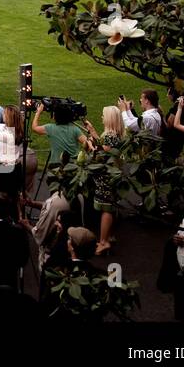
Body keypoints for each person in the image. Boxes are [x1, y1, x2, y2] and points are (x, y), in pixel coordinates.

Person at [82, 105, 127, 255]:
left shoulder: (110, 136)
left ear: (109, 118)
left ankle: (103, 242)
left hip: (106, 177)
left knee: (106, 208)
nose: (101, 117)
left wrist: (89, 143)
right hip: (113, 174)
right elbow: (104, 146)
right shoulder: (115, 135)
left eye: (103, 115)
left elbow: (100, 152)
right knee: (109, 207)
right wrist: (93, 131)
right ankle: (108, 236)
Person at [33, 100, 86, 168]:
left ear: (56, 116)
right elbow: (87, 143)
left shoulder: (50, 128)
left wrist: (38, 112)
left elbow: (34, 128)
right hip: (73, 166)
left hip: (55, 167)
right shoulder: (75, 129)